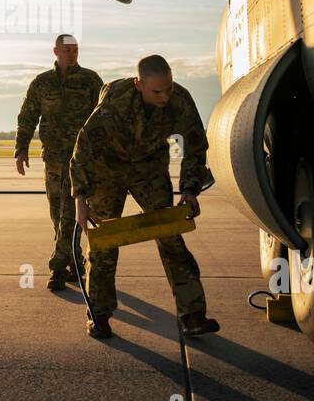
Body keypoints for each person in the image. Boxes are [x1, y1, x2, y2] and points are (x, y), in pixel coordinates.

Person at [70, 54, 219, 339]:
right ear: (138, 84)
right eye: (156, 91)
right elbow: (83, 148)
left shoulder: (180, 101)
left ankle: (193, 315)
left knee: (170, 234)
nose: (164, 97)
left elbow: (195, 147)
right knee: (104, 242)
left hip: (149, 167)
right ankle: (98, 315)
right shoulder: (116, 100)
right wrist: (81, 200)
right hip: (107, 168)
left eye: (168, 88)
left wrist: (189, 190)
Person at [14, 34, 104, 290]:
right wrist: (21, 149)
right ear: (56, 51)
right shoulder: (42, 83)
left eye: (75, 49)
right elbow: (28, 116)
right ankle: (75, 262)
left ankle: (58, 267)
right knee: (57, 213)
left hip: (80, 160)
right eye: (67, 50)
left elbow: (102, 117)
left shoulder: (90, 80)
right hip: (53, 158)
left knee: (69, 212)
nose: (72, 54)